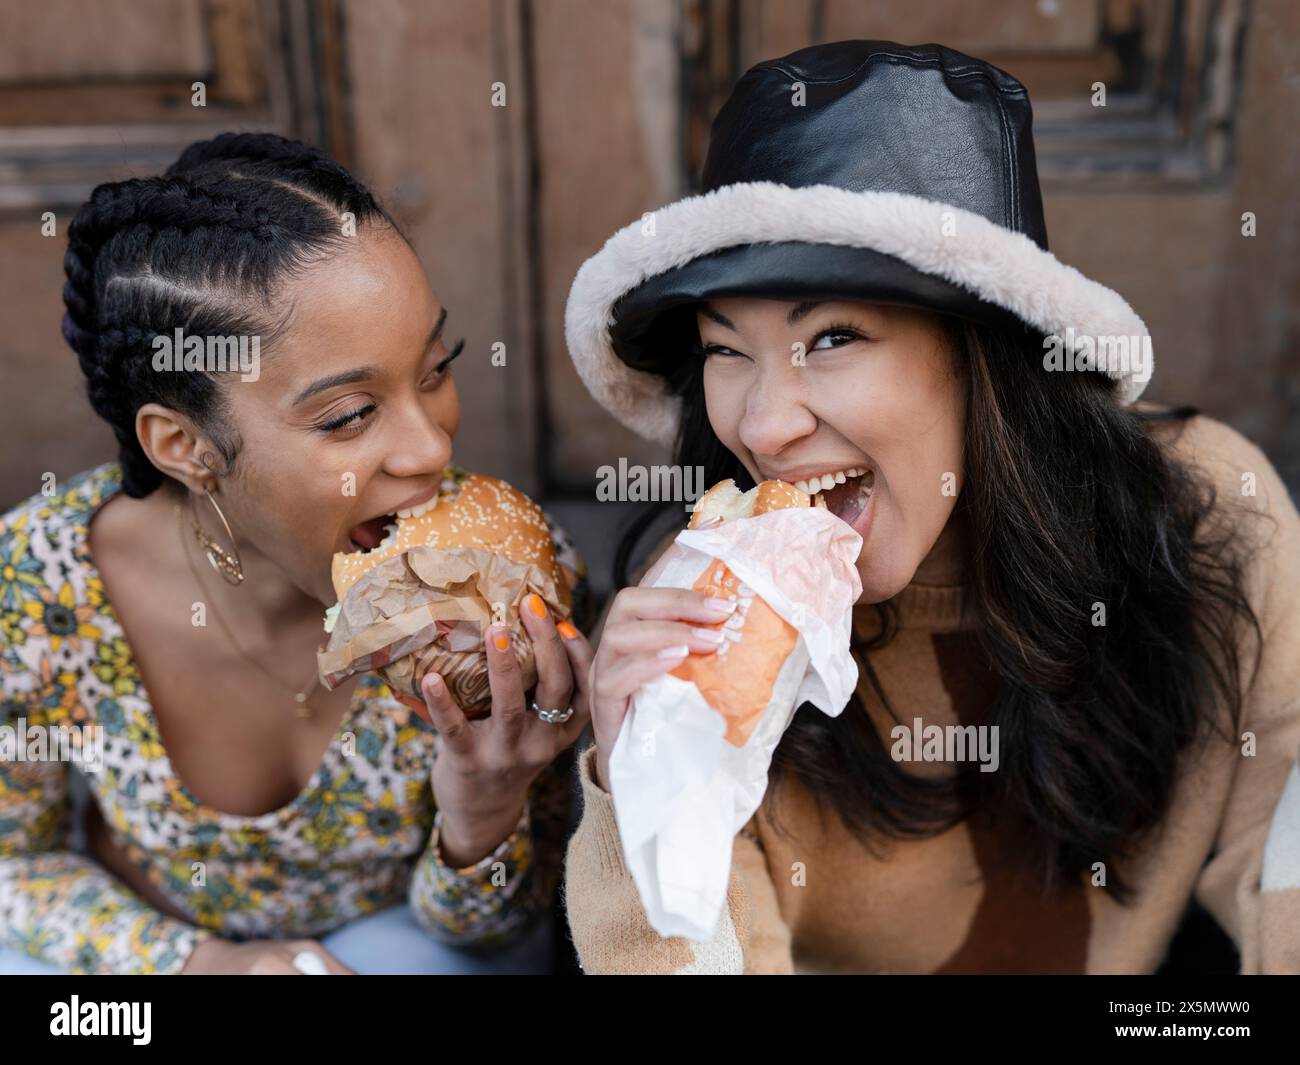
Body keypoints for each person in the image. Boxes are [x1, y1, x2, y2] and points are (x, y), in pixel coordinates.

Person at [560, 41, 1300, 974]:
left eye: (831, 337)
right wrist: (642, 787)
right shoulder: (702, 616)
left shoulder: (1206, 511)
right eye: (723, 348)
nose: (763, 423)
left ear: (981, 356)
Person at [0, 132, 598, 975]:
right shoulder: (37, 582)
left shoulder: (505, 588)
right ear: (184, 445)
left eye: (436, 368)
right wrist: (204, 965)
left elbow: (500, 936)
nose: (428, 447)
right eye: (350, 414)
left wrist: (487, 808)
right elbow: (13, 867)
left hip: (400, 940)